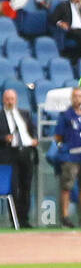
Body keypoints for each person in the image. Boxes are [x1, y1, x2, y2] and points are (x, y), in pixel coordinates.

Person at [54, 87, 81, 228]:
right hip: (71, 156)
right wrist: (64, 147)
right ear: (72, 98)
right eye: (75, 96)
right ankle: (65, 217)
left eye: (80, 96)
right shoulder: (66, 115)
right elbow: (58, 135)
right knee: (67, 186)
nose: (78, 98)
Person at [0, 88, 38, 227]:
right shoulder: (0, 115)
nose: (10, 102)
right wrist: (4, 138)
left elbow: (32, 130)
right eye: (7, 99)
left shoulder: (25, 113)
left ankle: (25, 219)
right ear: (3, 100)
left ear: (16, 100)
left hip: (25, 152)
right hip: (9, 154)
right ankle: (14, 220)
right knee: (13, 187)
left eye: (12, 99)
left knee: (26, 186)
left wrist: (34, 139)